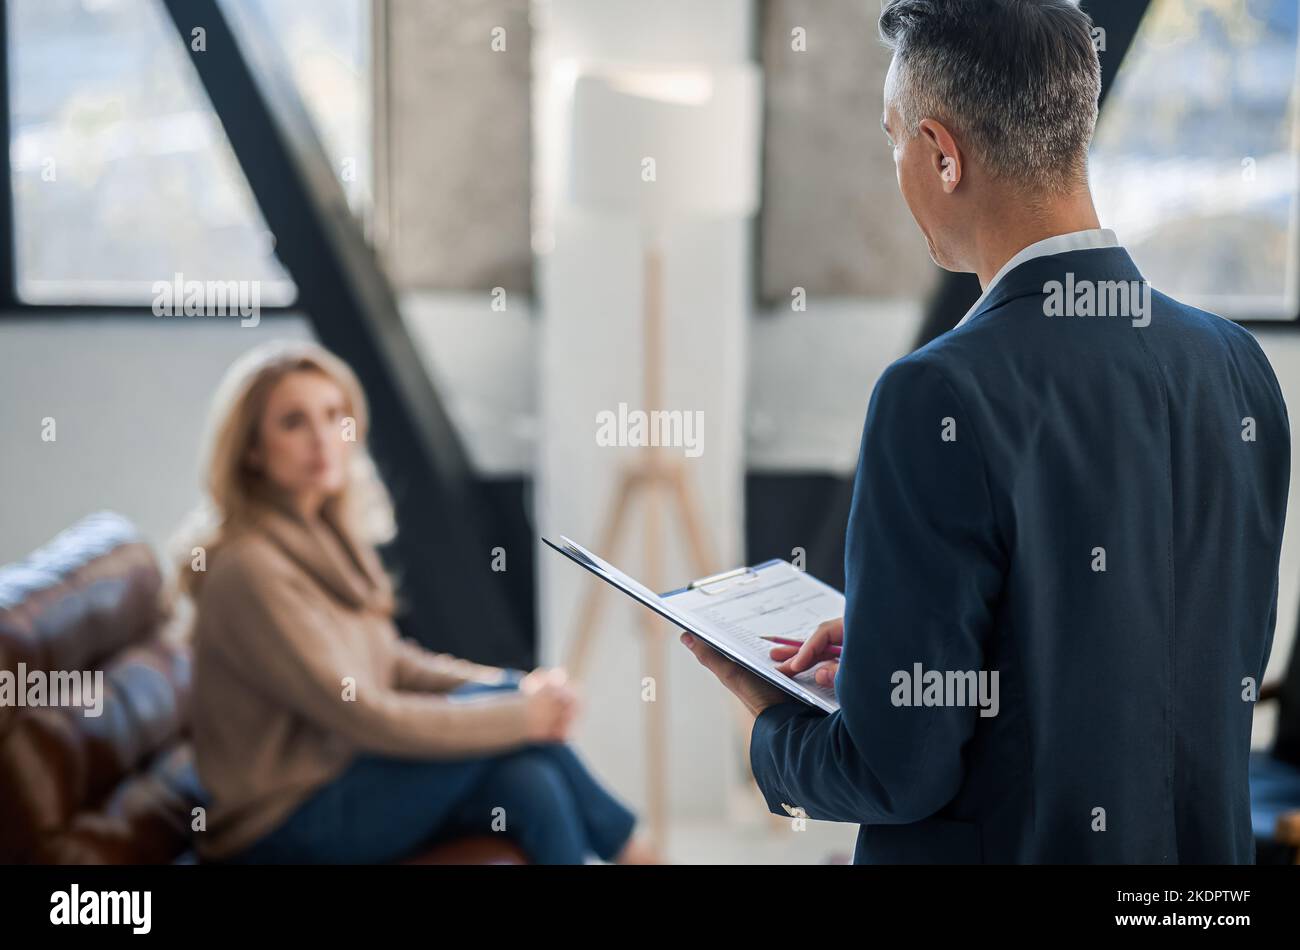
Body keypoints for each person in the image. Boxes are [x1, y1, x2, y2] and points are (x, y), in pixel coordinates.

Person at [683, 0, 1290, 863]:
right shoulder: (1237, 368)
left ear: (941, 152)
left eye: (893, 139)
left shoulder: (935, 392)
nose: (896, 167)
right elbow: (1161, 645)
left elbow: (893, 773)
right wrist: (905, 632)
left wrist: (770, 724)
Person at [180, 340, 656, 865]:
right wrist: (521, 715)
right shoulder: (250, 569)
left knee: (531, 783)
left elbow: (393, 661)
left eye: (334, 415)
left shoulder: (322, 534)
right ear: (251, 449)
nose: (322, 439)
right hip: (283, 823)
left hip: (349, 778)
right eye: (293, 422)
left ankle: (635, 853)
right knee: (527, 740)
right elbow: (365, 715)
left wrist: (512, 689)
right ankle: (640, 855)